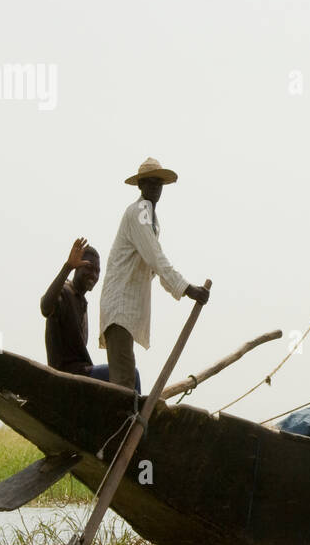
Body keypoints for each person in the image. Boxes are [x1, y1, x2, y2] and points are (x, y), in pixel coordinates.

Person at [98, 157, 210, 393]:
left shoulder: (150, 219)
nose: (155, 188)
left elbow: (154, 267)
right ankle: (120, 428)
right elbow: (156, 259)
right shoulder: (139, 212)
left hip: (126, 309)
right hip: (120, 306)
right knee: (123, 384)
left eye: (158, 183)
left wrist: (182, 288)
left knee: (125, 379)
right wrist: (188, 289)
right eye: (149, 183)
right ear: (140, 186)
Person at [40, 237, 142, 390]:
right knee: (131, 374)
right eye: (89, 268)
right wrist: (67, 266)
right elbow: (45, 307)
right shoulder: (64, 292)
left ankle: (133, 410)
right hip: (68, 375)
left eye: (97, 271)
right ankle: (137, 412)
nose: (93, 275)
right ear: (77, 266)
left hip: (83, 372)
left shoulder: (82, 302)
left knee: (125, 374)